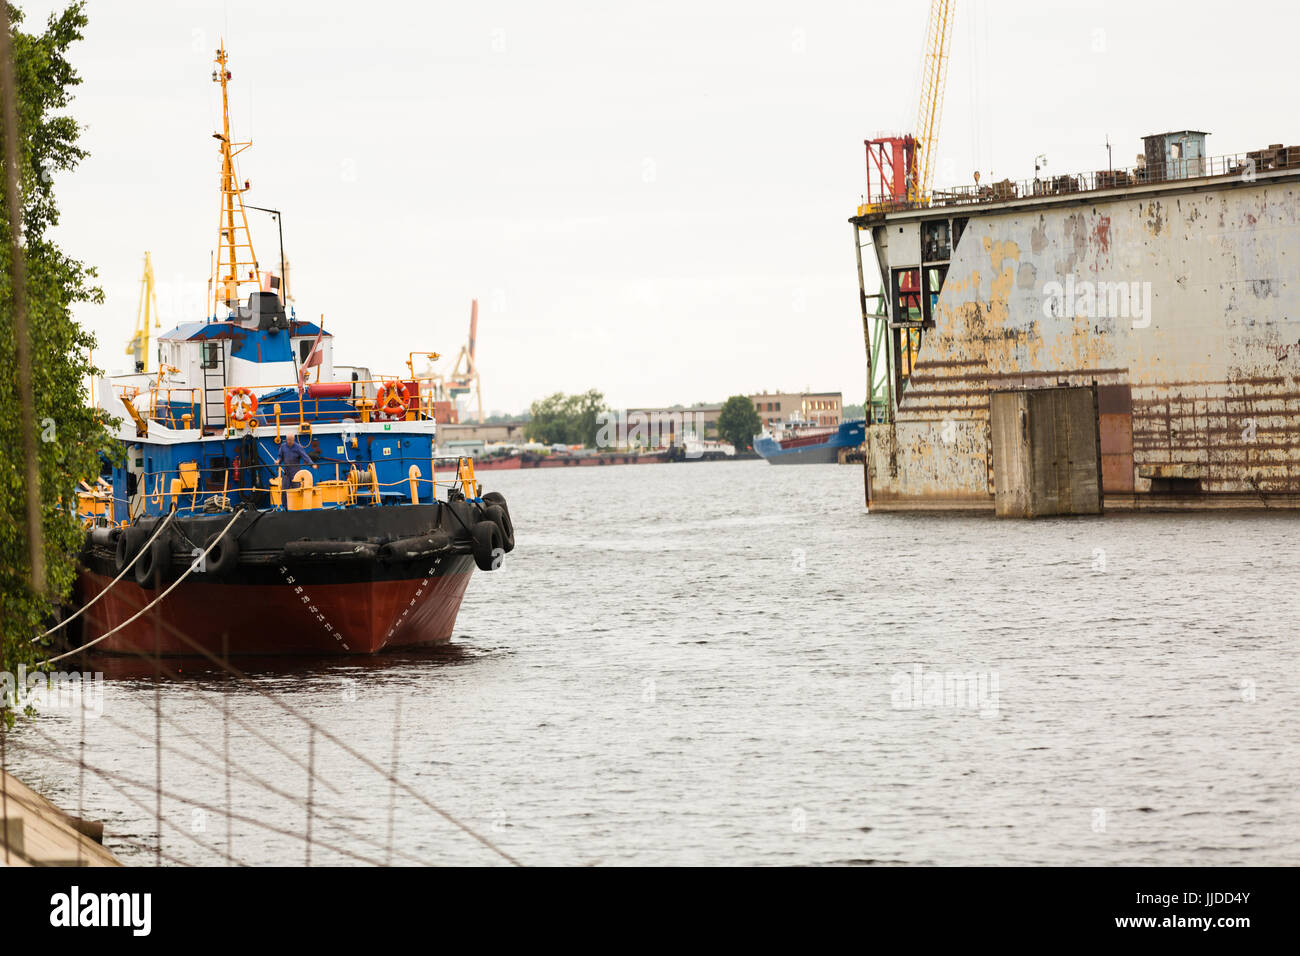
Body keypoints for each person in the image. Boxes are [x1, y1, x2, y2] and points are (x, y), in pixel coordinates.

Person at [277, 429, 314, 506]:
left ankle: (298, 506)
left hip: (296, 473)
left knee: (297, 490)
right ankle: (285, 507)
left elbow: (305, 456)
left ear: (293, 439)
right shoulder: (283, 447)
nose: (289, 441)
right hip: (286, 472)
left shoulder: (298, 447)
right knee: (284, 490)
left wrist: (311, 464)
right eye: (287, 440)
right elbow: (280, 457)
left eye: (290, 440)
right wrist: (278, 461)